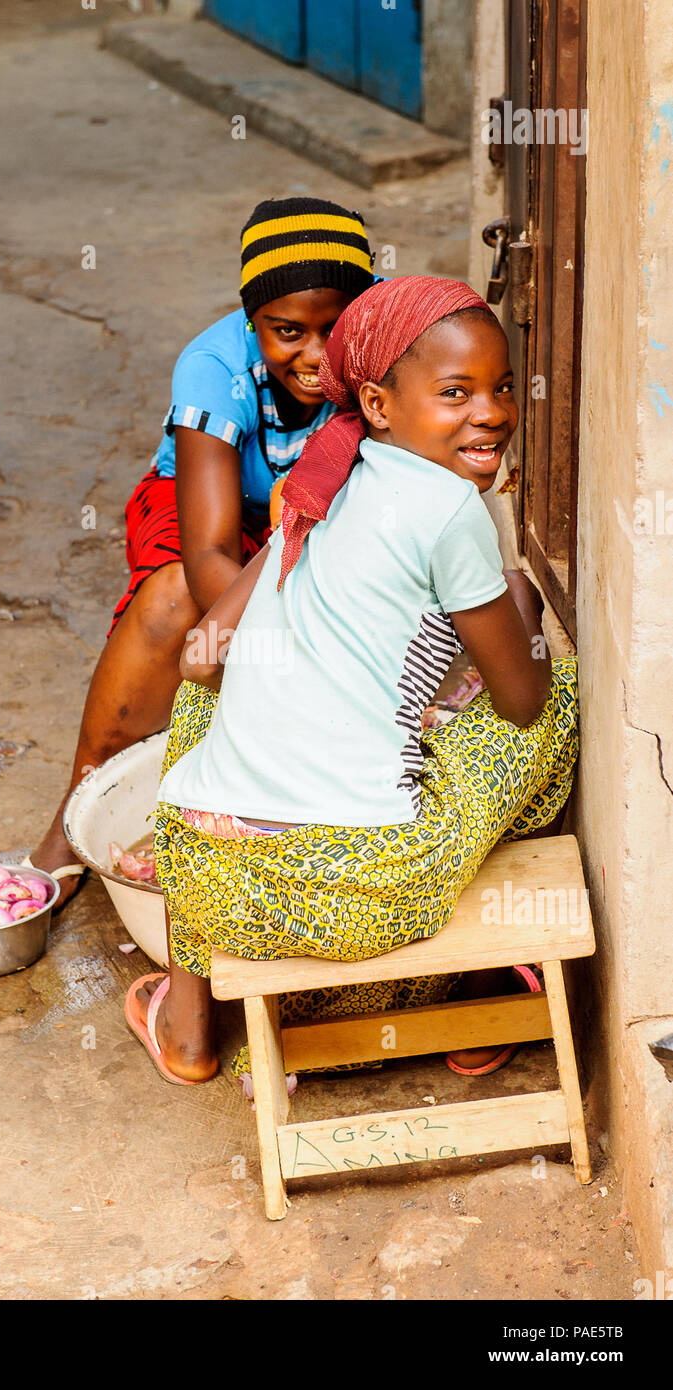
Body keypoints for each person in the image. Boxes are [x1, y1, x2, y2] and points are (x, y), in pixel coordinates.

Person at [124, 275, 578, 1086]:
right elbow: (521, 701)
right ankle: (477, 993)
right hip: (365, 892)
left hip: (217, 884)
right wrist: (529, 616)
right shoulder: (448, 510)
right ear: (375, 402)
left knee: (208, 693)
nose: (492, 412)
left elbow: (207, 653)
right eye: (454, 393)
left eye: (502, 386)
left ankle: (189, 1028)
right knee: (562, 701)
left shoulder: (326, 483)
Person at [27, 197, 376, 901]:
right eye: (285, 332)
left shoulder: (388, 353)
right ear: (253, 323)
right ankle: (80, 801)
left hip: (323, 513)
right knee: (174, 601)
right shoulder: (213, 367)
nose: (312, 355)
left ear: (365, 311)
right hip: (207, 510)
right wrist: (294, 651)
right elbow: (211, 549)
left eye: (333, 328)